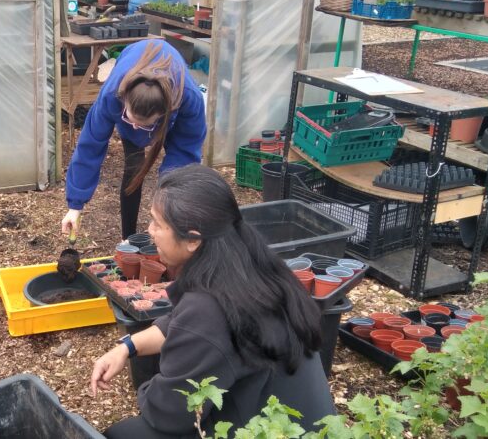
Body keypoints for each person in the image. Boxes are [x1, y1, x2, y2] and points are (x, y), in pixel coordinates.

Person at [89, 165, 335, 438]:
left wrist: (147, 389)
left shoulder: (207, 309)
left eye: (158, 223)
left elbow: (169, 413)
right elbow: (180, 323)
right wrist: (127, 347)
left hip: (269, 430)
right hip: (303, 422)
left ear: (193, 240)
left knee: (123, 434)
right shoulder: (250, 263)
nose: (149, 231)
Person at [61, 40, 207, 241]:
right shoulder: (112, 94)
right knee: (134, 168)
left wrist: (169, 208)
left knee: (174, 177)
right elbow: (90, 146)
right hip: (132, 76)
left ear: (163, 115)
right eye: (131, 120)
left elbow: (185, 154)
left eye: (144, 125)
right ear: (124, 101)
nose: (136, 128)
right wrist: (75, 205)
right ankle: (128, 239)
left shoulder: (189, 100)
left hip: (173, 107)